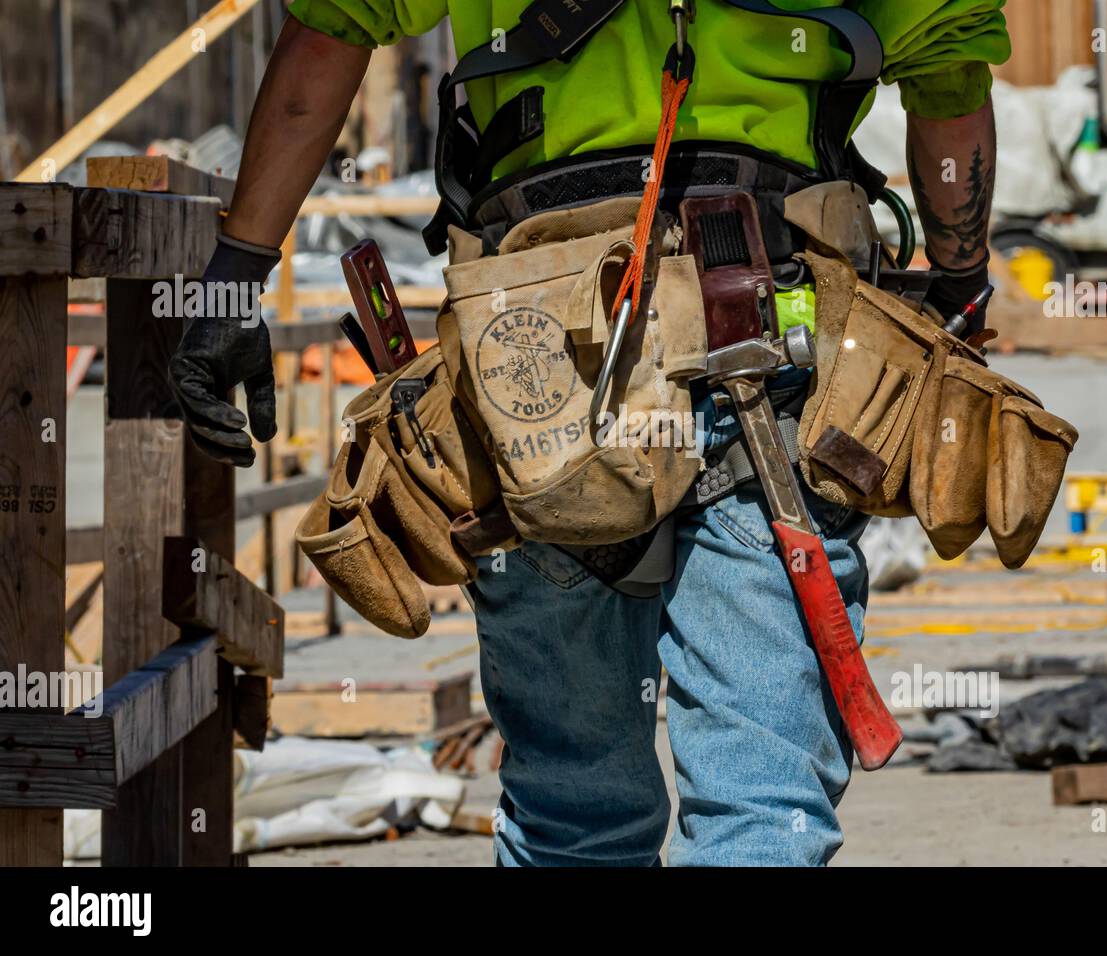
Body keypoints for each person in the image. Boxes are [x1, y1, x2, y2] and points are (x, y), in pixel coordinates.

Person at [169, 0, 1010, 866]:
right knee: (762, 809)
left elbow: (331, 31)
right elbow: (946, 72)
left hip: (537, 364)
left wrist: (237, 276)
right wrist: (961, 285)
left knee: (573, 812)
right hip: (768, 343)